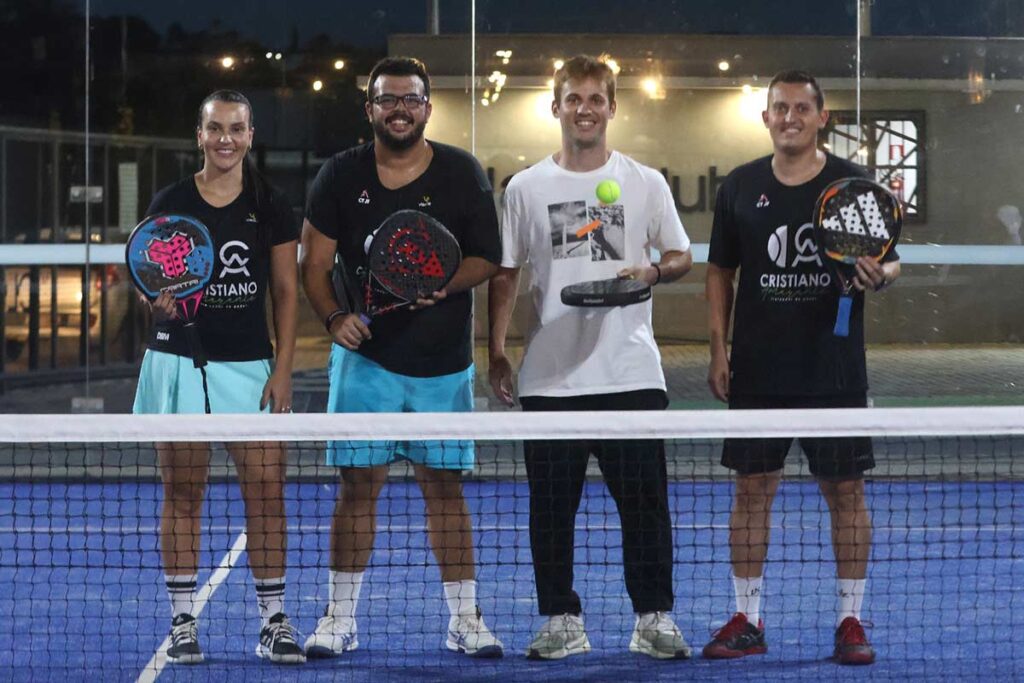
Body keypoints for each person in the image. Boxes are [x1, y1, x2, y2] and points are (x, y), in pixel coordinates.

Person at [488, 54, 694, 661]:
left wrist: (653, 269)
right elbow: (505, 274)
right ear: (555, 107)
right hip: (549, 377)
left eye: (596, 99)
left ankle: (653, 618)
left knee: (645, 510)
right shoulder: (525, 188)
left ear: (612, 107)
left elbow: (681, 255)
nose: (584, 109)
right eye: (573, 98)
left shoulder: (645, 182)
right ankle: (560, 620)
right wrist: (497, 351)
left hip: (630, 372)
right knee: (550, 513)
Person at [299, 56, 504, 659]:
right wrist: (335, 318)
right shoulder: (339, 175)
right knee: (358, 487)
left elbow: (486, 259)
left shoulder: (463, 174)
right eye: (388, 99)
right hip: (367, 367)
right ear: (370, 109)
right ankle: (339, 619)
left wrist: (446, 281)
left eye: (411, 99)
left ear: (427, 107)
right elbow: (314, 264)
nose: (400, 109)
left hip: (444, 367)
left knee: (444, 488)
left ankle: (465, 620)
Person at [702, 70, 900, 666]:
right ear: (766, 118)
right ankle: (748, 619)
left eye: (801, 109)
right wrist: (718, 348)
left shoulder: (852, 184)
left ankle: (850, 619)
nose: (789, 117)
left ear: (821, 117)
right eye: (779, 108)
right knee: (751, 490)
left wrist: (879, 276)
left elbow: (892, 264)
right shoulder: (739, 186)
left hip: (832, 369)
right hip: (759, 371)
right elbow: (720, 272)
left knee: (845, 492)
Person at [132, 90, 303, 664]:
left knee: (267, 493)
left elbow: (285, 289)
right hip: (178, 362)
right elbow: (147, 274)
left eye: (236, 128)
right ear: (199, 135)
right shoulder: (172, 200)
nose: (225, 139)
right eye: (214, 129)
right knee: (183, 493)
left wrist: (283, 367)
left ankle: (274, 621)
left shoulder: (272, 203)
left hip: (249, 367)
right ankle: (183, 620)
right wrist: (155, 303)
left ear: (250, 135)